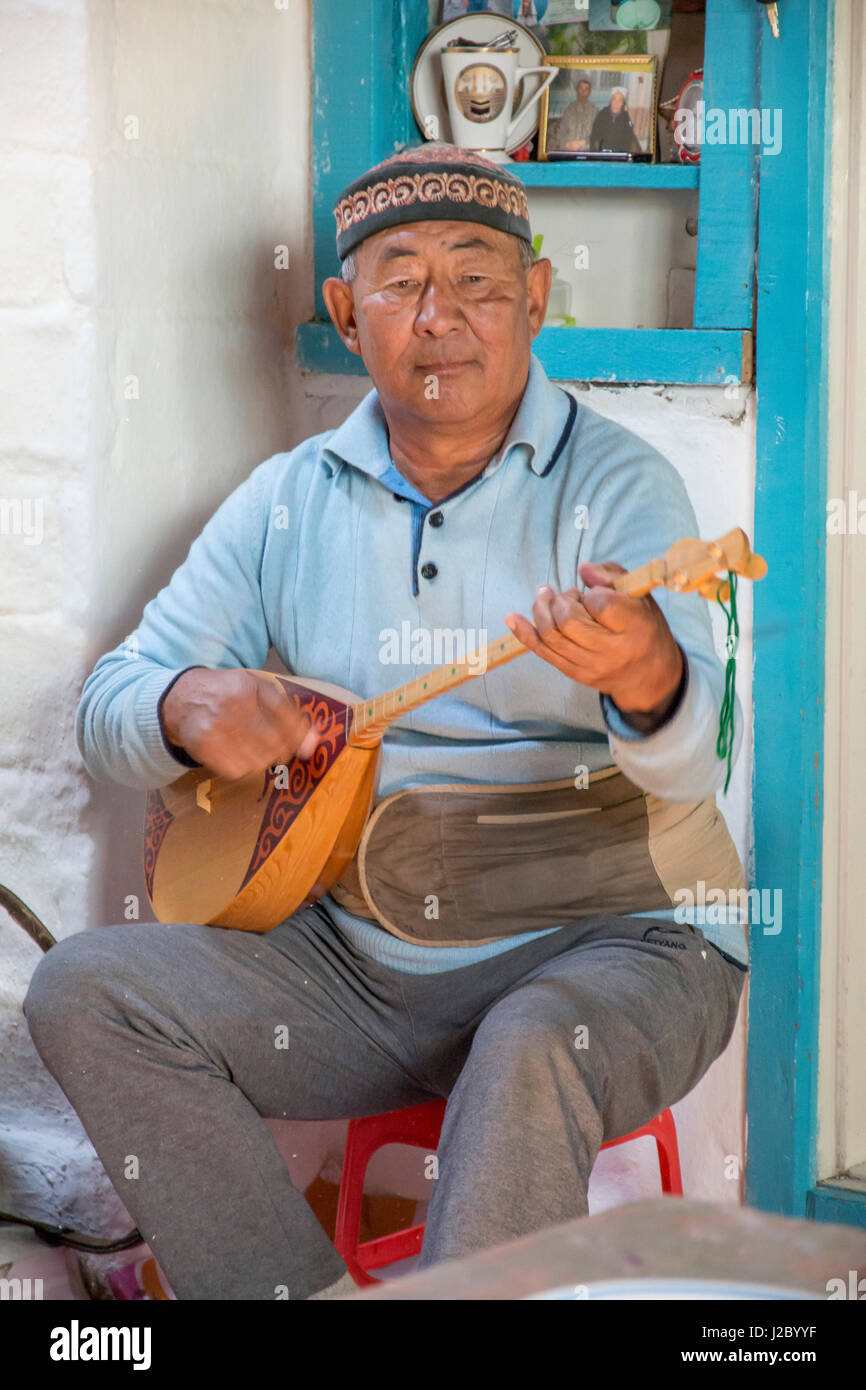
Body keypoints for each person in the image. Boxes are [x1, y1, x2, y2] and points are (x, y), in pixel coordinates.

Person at [24, 144, 748, 1301]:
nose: (441, 314)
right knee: (84, 988)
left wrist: (645, 672)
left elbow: (696, 742)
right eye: (401, 279)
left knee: (528, 1046)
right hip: (360, 966)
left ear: (537, 299)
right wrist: (184, 704)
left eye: (477, 278)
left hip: (616, 938)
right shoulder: (283, 501)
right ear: (343, 312)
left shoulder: (618, 488)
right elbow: (113, 705)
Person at [549, 76, 598, 152]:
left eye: (586, 89)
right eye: (581, 88)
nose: (583, 92)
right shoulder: (569, 110)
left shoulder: (595, 112)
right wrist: (566, 144)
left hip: (587, 152)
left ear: (589, 92)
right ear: (577, 90)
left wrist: (584, 142)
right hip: (568, 152)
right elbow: (560, 133)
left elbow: (598, 136)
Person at [590, 86, 642, 153]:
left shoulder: (626, 117)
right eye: (614, 99)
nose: (616, 103)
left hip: (618, 153)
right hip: (602, 153)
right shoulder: (602, 114)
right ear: (611, 100)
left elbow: (628, 140)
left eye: (620, 100)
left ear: (623, 103)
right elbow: (594, 136)